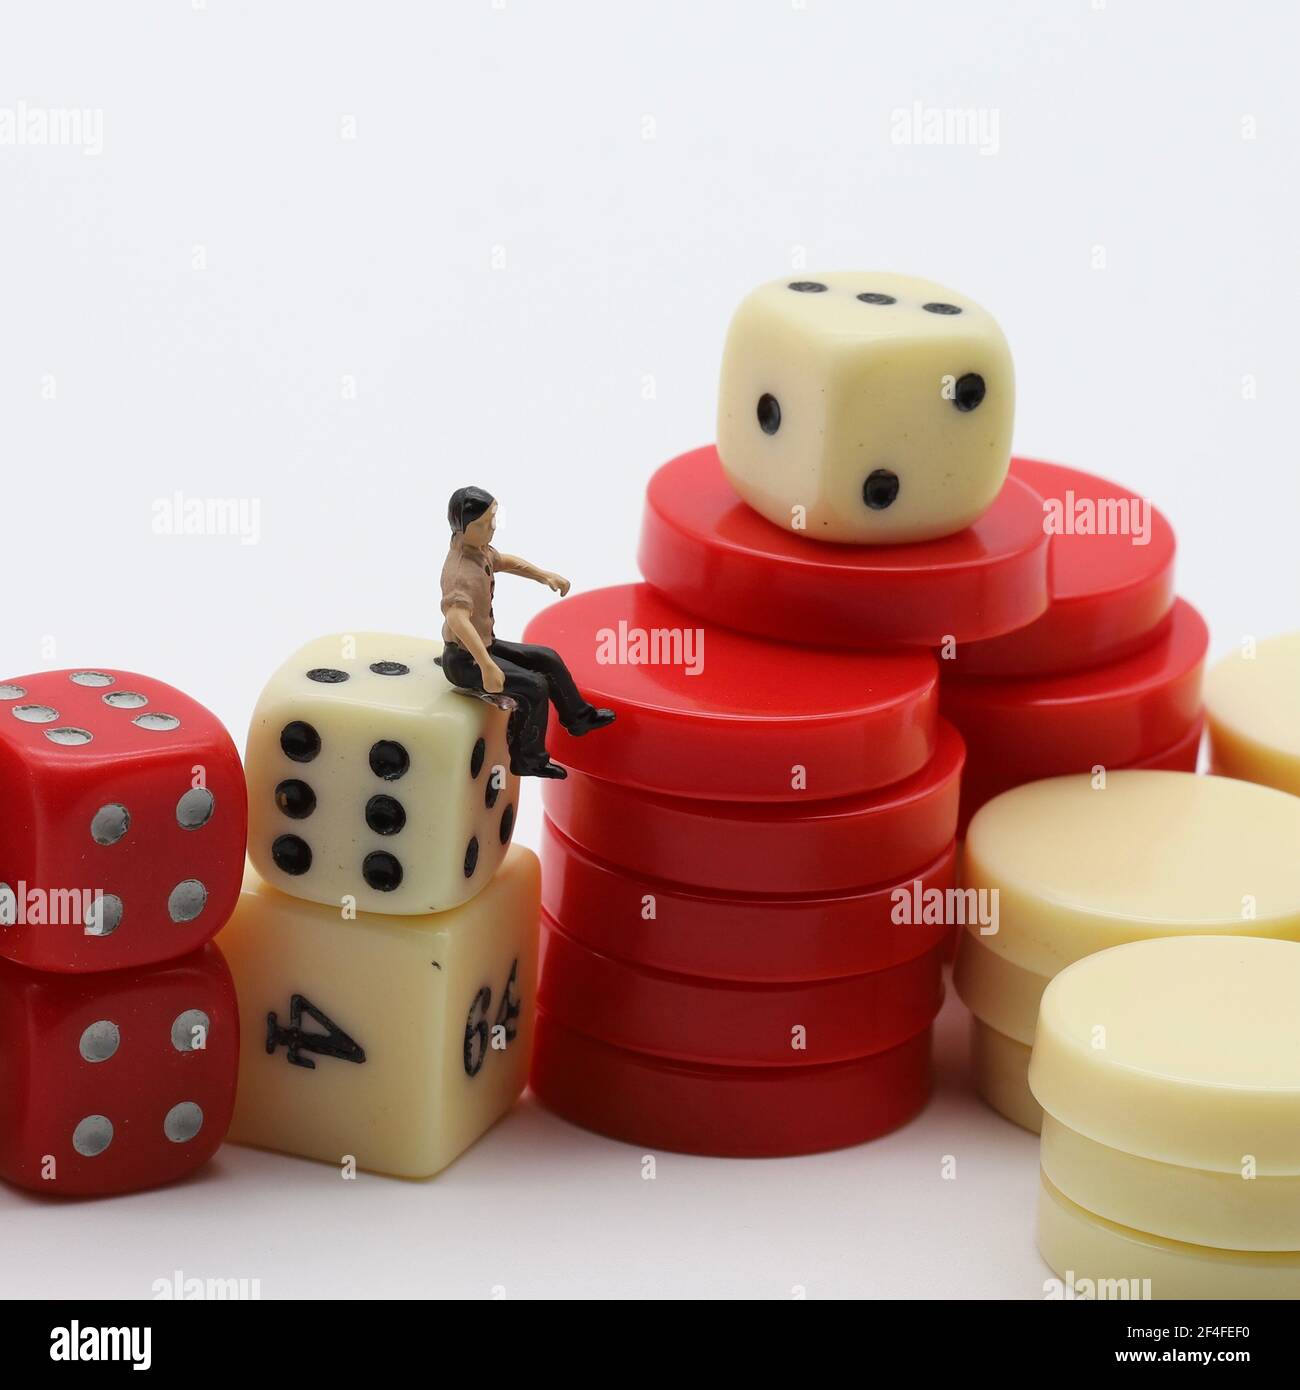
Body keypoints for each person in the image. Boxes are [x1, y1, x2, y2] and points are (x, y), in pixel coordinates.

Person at [439, 486, 614, 779]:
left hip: (486, 644)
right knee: (534, 687)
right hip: (463, 661)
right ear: (462, 529)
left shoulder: (477, 550)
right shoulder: (459, 573)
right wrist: (487, 666)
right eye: (483, 524)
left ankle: (579, 717)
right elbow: (457, 620)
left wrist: (543, 575)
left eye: (493, 520)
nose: (491, 529)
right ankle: (528, 759)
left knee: (547, 658)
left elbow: (504, 561)